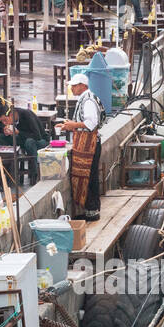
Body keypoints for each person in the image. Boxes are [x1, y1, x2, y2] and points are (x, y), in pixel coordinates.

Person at [60, 74, 102, 221]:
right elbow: (84, 121)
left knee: (88, 177)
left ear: (83, 86)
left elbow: (90, 123)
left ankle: (92, 211)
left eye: (74, 85)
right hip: (88, 143)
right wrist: (69, 124)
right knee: (88, 177)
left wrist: (72, 125)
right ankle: (91, 209)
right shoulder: (86, 98)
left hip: (89, 145)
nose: (72, 88)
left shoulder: (88, 100)